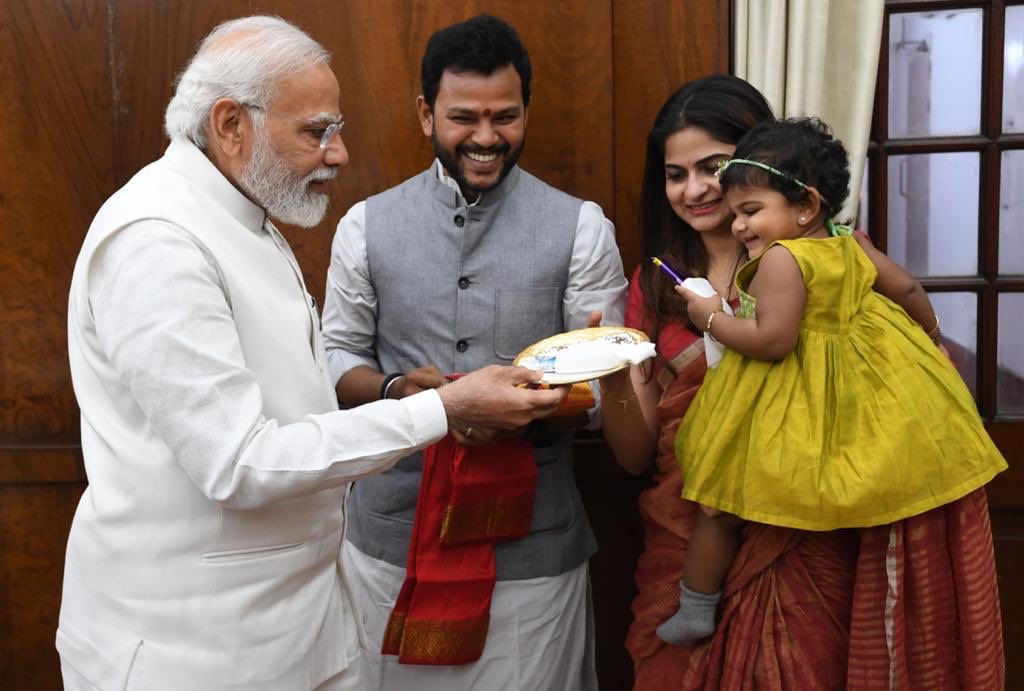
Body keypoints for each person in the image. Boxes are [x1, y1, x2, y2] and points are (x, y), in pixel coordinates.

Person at [58, 16, 568, 691]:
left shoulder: (239, 214)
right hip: (192, 652)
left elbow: (291, 403)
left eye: (336, 129)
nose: (339, 154)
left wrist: (395, 392)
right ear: (230, 124)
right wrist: (444, 408)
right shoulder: (157, 241)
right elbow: (238, 461)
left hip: (286, 635)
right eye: (316, 131)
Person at [601, 81, 1006, 689]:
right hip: (690, 521)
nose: (696, 190)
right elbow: (636, 455)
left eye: (714, 167)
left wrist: (930, 362)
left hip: (811, 531)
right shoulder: (657, 285)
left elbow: (882, 373)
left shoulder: (833, 257)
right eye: (674, 174)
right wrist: (613, 377)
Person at [321, 14, 627, 690]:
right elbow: (335, 357)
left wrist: (527, 408)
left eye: (506, 117)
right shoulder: (364, 226)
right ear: (427, 113)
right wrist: (407, 394)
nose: (487, 138)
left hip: (535, 552)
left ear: (526, 111)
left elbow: (606, 384)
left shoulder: (580, 228)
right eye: (464, 117)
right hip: (389, 544)